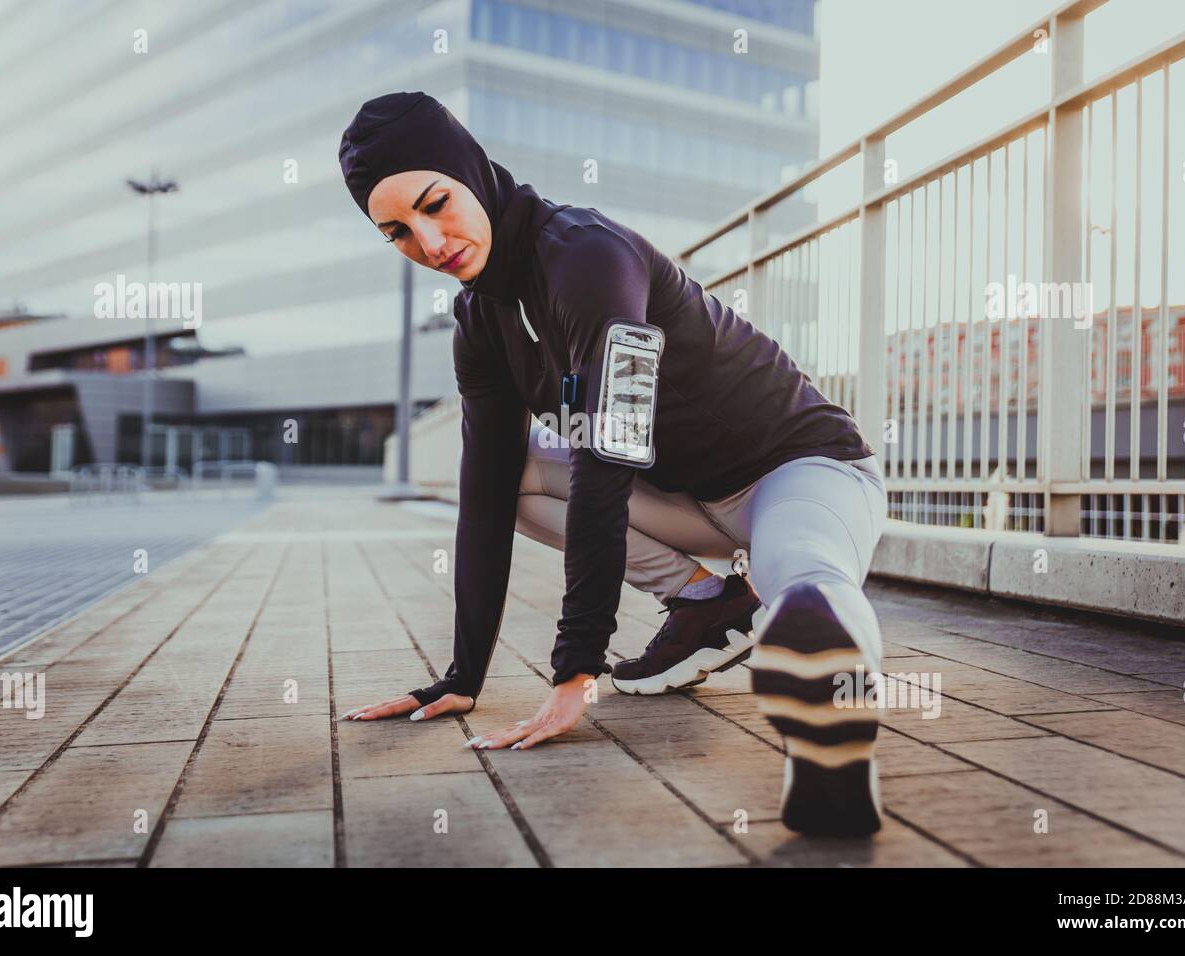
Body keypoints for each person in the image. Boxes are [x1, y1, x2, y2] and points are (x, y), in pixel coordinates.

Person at [337, 92, 888, 836]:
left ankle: (830, 723)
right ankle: (704, 601)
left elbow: (609, 448)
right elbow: (485, 496)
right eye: (398, 232)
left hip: (801, 469)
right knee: (516, 477)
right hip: (685, 499)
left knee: (805, 578)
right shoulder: (478, 323)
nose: (431, 242)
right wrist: (463, 676)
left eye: (436, 204)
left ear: (471, 170)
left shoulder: (591, 255)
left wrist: (575, 669)